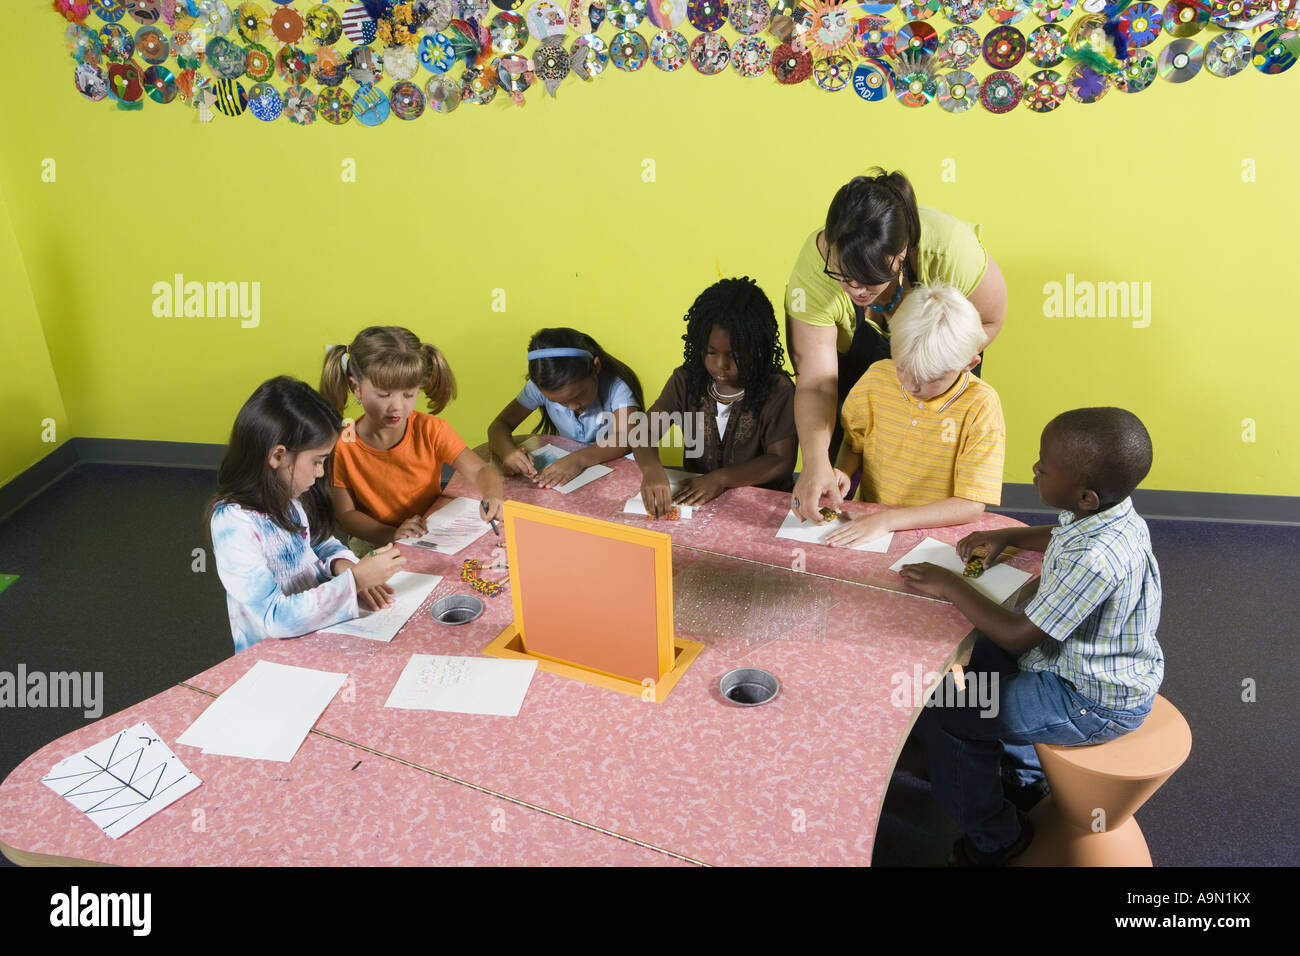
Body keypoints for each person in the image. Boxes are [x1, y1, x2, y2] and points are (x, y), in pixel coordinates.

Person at [900, 407, 1164, 865]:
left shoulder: (1096, 556)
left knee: (948, 713)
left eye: (1045, 465)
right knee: (984, 651)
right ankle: (1022, 777)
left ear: (1085, 495)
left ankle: (995, 837)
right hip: (1076, 667)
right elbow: (1063, 534)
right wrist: (1010, 536)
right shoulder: (1109, 514)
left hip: (1088, 701)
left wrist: (951, 584)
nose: (1035, 468)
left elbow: (1020, 636)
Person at [785, 168, 1007, 524]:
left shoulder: (950, 251)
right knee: (853, 449)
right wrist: (816, 464)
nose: (856, 290)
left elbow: (990, 319)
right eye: (843, 276)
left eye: (871, 279)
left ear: (901, 255)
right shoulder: (814, 272)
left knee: (935, 467)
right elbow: (816, 383)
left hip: (943, 364)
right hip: (862, 368)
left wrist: (938, 370)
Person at [207, 376, 405, 653]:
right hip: (271, 662)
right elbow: (273, 619)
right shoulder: (233, 524)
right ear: (278, 456)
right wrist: (355, 581)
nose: (321, 472)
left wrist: (343, 565)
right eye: (317, 461)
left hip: (315, 638)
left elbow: (319, 543)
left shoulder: (288, 498)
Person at [823, 283, 1004, 546]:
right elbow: (854, 442)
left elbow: (971, 505)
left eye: (931, 378)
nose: (913, 385)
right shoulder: (877, 377)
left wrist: (888, 521)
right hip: (871, 528)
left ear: (969, 364)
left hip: (936, 537)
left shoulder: (981, 406)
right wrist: (843, 471)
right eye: (902, 368)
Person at [321, 326, 503, 554]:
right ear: (355, 387)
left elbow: (480, 472)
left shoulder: (431, 430)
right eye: (384, 394)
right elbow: (345, 515)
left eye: (408, 394)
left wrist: (492, 495)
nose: (397, 406)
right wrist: (391, 534)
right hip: (377, 542)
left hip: (432, 532)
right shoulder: (342, 444)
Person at [635, 277, 798, 517]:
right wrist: (651, 469)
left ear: (758, 348)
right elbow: (644, 431)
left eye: (735, 355)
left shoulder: (778, 390)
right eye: (710, 352)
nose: (720, 365)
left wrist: (721, 479)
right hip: (696, 505)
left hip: (759, 508)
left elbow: (780, 460)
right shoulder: (686, 380)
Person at [486, 327, 644, 489]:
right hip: (570, 473)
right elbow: (499, 425)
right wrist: (508, 452)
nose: (573, 406)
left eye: (577, 395)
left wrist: (578, 460)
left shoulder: (617, 389)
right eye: (558, 402)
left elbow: (625, 438)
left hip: (617, 473)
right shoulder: (537, 388)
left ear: (596, 367)